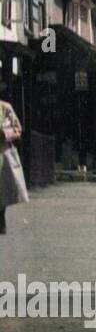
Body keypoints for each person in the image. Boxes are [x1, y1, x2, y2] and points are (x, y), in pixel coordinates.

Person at [1, 84, 29, 235]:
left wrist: (5, 133)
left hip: (2, 153)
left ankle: (0, 217)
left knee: (2, 187)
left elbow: (17, 128)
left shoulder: (5, 108)